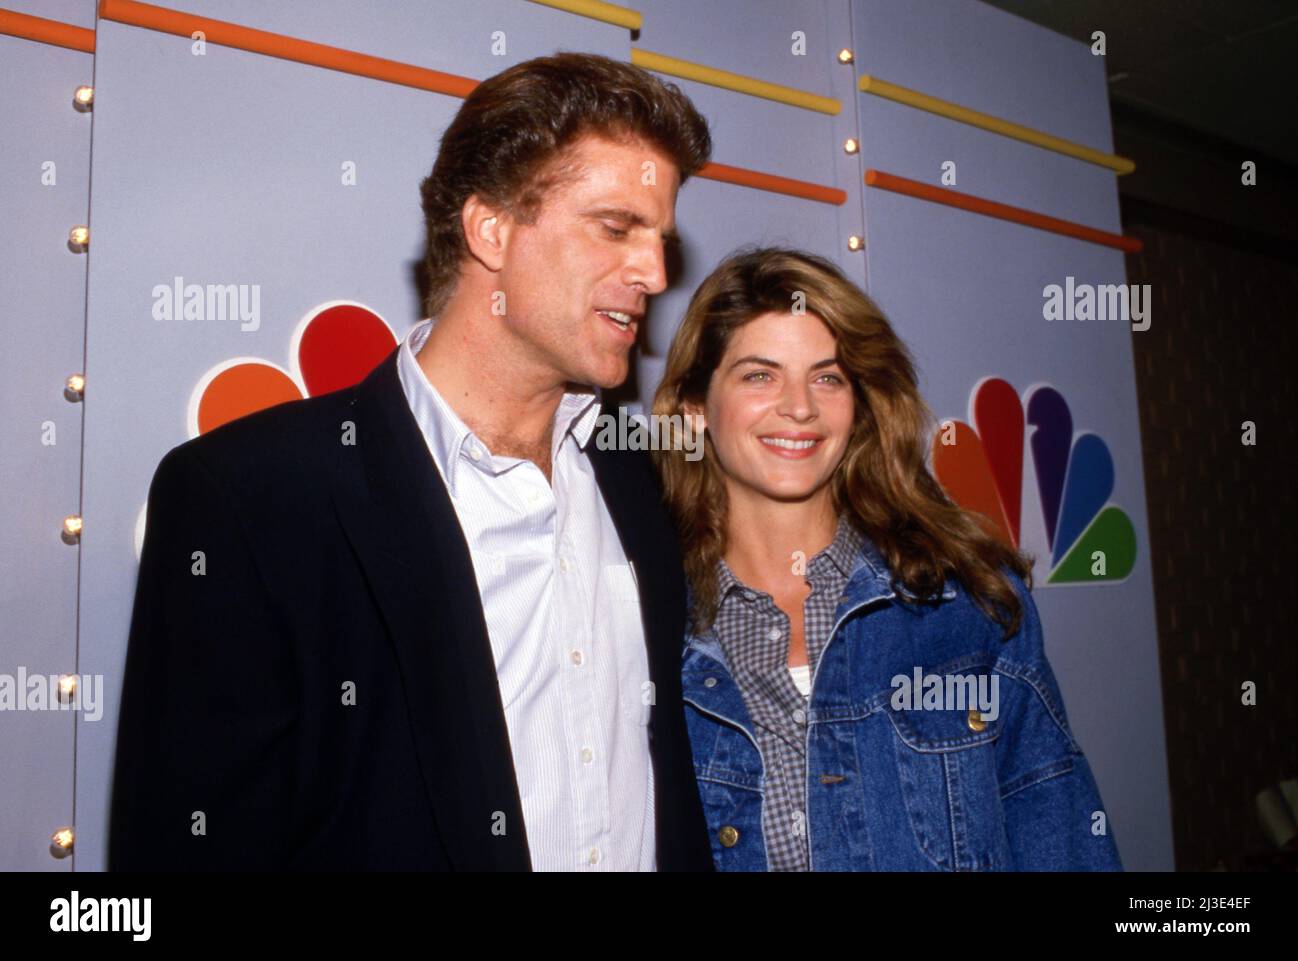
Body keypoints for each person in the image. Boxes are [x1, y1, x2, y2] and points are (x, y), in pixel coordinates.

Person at [109, 53, 715, 871]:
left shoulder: (636, 481)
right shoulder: (249, 498)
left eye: (660, 240)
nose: (653, 272)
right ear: (490, 229)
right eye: (616, 227)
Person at [651, 246, 1123, 871]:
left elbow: (1060, 833)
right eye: (759, 375)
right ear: (694, 411)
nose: (800, 406)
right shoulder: (655, 631)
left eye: (828, 377)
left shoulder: (969, 607)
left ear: (860, 404)